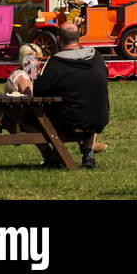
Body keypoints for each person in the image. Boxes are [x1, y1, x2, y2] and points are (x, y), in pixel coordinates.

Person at [33, 23, 109, 169]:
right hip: (98, 118)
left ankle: (51, 156)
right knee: (89, 101)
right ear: (78, 38)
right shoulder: (97, 58)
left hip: (67, 121)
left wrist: (30, 70)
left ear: (58, 39)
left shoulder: (55, 62)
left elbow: (38, 91)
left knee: (27, 116)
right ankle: (88, 154)